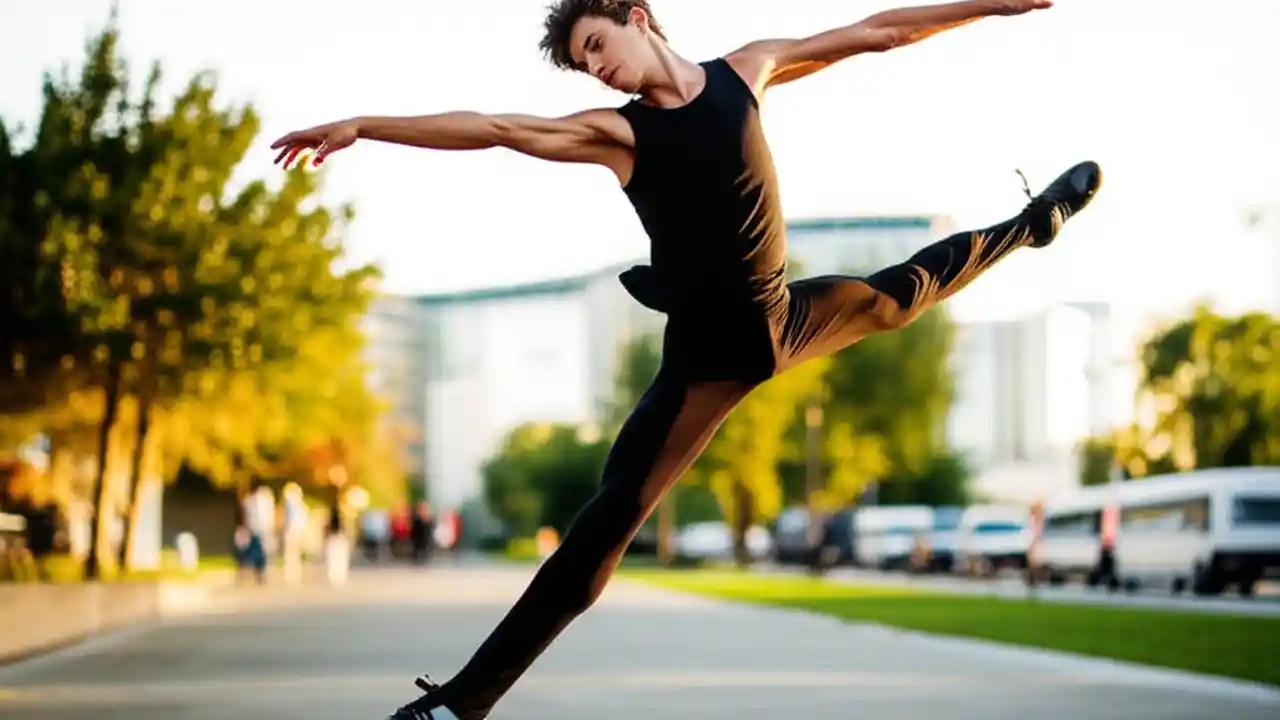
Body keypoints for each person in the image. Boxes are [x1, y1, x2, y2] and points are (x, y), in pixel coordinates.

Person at [270, 1, 1099, 717]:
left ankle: (1033, 224)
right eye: (584, 64)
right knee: (605, 529)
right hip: (705, 357)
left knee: (896, 298)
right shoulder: (621, 134)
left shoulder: (749, 70)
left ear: (638, 17)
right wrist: (365, 125)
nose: (597, 69)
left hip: (781, 319)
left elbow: (877, 32)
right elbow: (495, 129)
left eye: (598, 46)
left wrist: (985, 6)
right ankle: (459, 704)